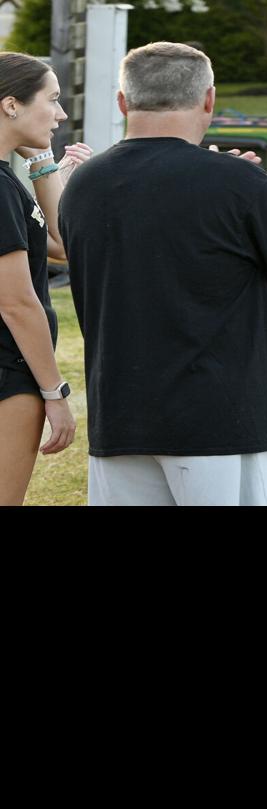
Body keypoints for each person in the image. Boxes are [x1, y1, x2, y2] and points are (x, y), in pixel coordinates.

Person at [60, 41, 267, 505]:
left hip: (120, 413)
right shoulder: (235, 182)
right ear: (209, 99)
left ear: (122, 101)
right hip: (224, 418)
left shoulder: (84, 183)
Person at [0, 52, 82, 505]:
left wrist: (43, 163)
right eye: (52, 99)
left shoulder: (8, 182)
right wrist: (55, 391)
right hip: (9, 374)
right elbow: (15, 302)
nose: (61, 113)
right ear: (11, 105)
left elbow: (62, 247)